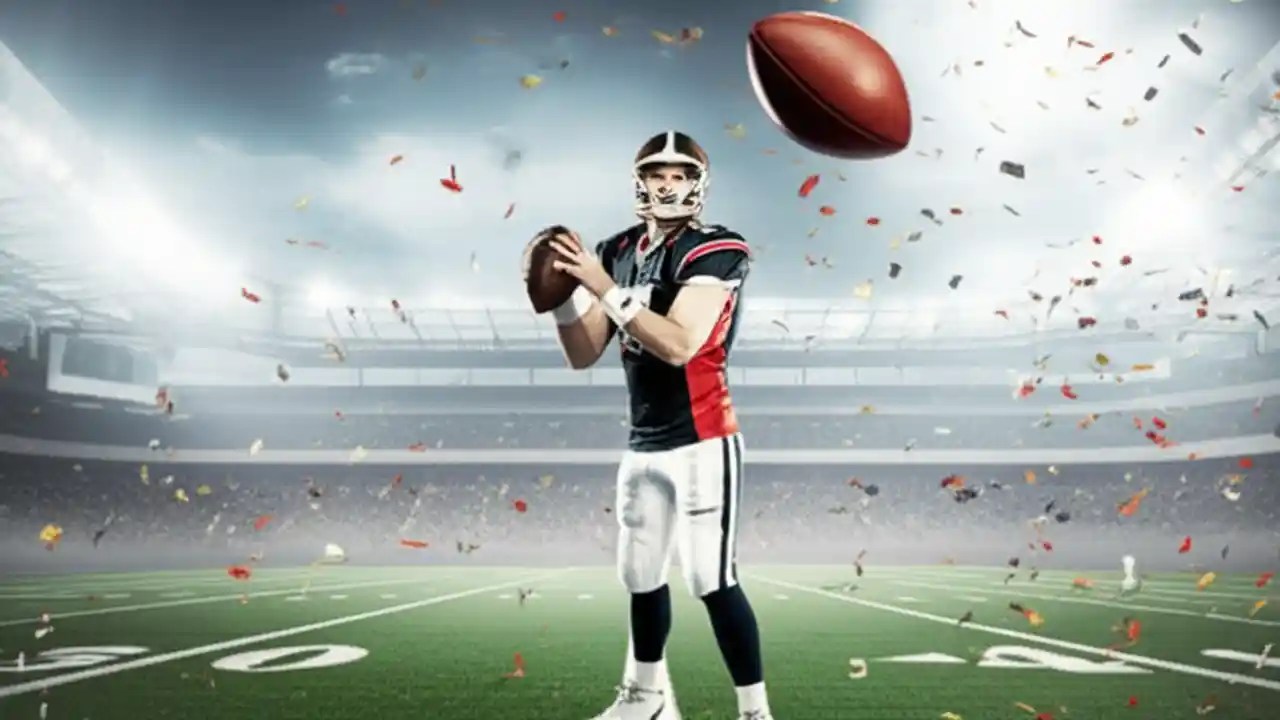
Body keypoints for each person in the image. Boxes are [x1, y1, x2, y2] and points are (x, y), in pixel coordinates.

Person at [540, 131, 772, 720]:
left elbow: (679, 344)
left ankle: (754, 713)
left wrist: (602, 286)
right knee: (638, 572)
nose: (667, 183)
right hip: (643, 438)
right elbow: (584, 352)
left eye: (679, 173)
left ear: (698, 182)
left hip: (704, 437)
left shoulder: (717, 247)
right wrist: (562, 296)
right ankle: (647, 700)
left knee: (709, 579)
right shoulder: (616, 249)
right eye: (656, 172)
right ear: (639, 180)